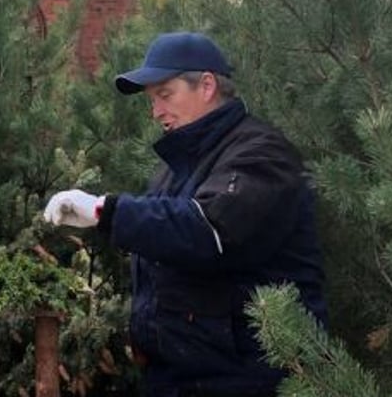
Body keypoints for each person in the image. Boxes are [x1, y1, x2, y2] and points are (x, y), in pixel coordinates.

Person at [43, 32, 327, 397]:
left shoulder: (262, 153)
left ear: (206, 85)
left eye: (165, 95)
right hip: (179, 377)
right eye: (152, 100)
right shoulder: (175, 170)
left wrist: (105, 210)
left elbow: (207, 230)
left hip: (249, 378)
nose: (156, 111)